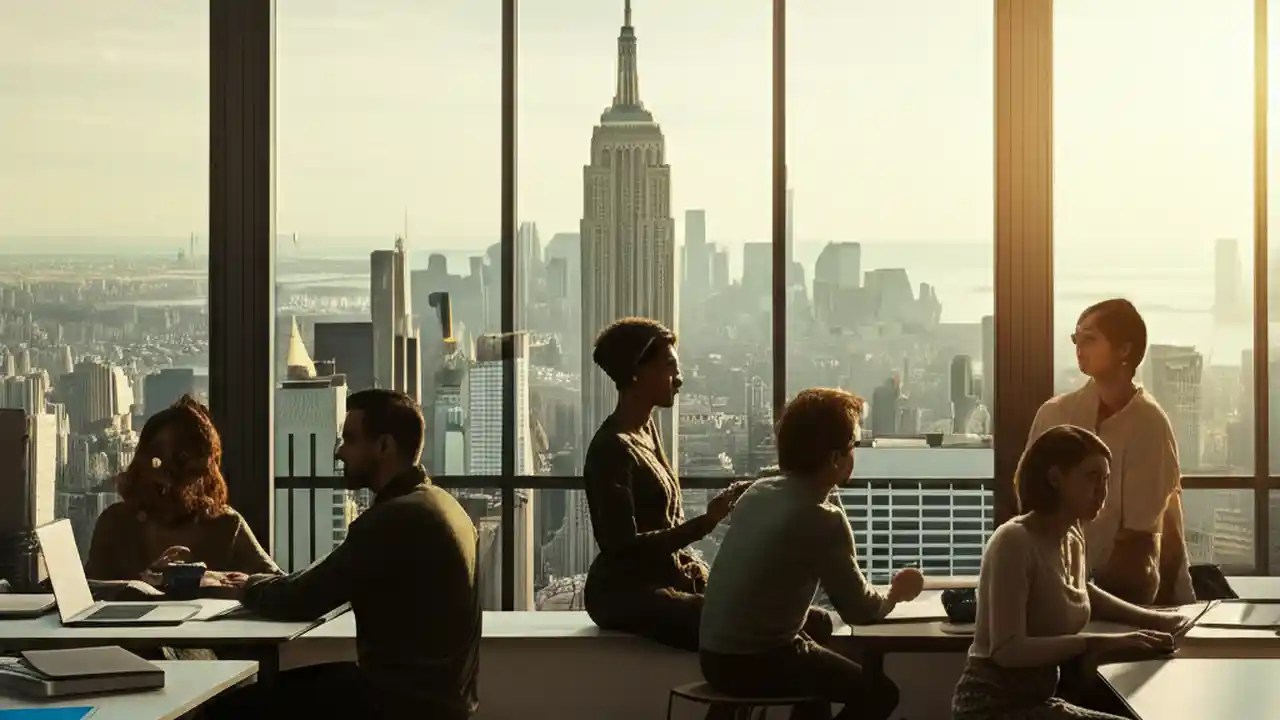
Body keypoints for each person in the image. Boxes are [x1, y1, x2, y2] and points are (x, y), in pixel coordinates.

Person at [224, 389, 480, 720]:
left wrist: (245, 585)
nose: (339, 452)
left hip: (393, 704)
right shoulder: (445, 506)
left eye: (350, 439)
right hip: (439, 703)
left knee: (232, 709)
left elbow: (303, 598)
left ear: (384, 446)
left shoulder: (394, 520)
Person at [700, 388, 922, 720]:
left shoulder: (759, 492)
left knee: (817, 623)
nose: (854, 457)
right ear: (835, 458)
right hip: (754, 661)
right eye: (853, 447)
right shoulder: (820, 517)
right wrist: (896, 593)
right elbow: (860, 610)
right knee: (880, 693)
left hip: (714, 657)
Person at [952, 424, 1191, 720]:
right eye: (1092, 477)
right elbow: (1008, 649)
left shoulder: (1072, 536)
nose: (1102, 491)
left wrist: (1153, 619)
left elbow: (1079, 590)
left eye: (1106, 479)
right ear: (1055, 479)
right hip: (992, 709)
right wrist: (1099, 643)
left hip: (1042, 699)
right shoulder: (1013, 542)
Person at [583, 317, 753, 651]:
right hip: (625, 594)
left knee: (796, 616)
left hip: (662, 579)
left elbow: (662, 524)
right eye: (669, 368)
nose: (679, 379)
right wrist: (706, 522)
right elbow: (622, 548)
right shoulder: (611, 449)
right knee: (741, 621)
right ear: (637, 373)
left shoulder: (647, 432)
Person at [1027, 298, 1193, 606]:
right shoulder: (1054, 415)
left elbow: (1138, 541)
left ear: (1124, 350)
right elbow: (1028, 508)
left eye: (1090, 338)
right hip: (1056, 594)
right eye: (1076, 338)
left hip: (1135, 599)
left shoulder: (1149, 424)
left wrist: (1089, 604)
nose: (1079, 347)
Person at [85, 394, 277, 587]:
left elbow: (278, 587)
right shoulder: (116, 523)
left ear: (203, 468)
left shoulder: (226, 525)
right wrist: (147, 580)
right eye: (157, 454)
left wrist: (220, 581)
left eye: (182, 456)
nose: (168, 471)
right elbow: (88, 591)